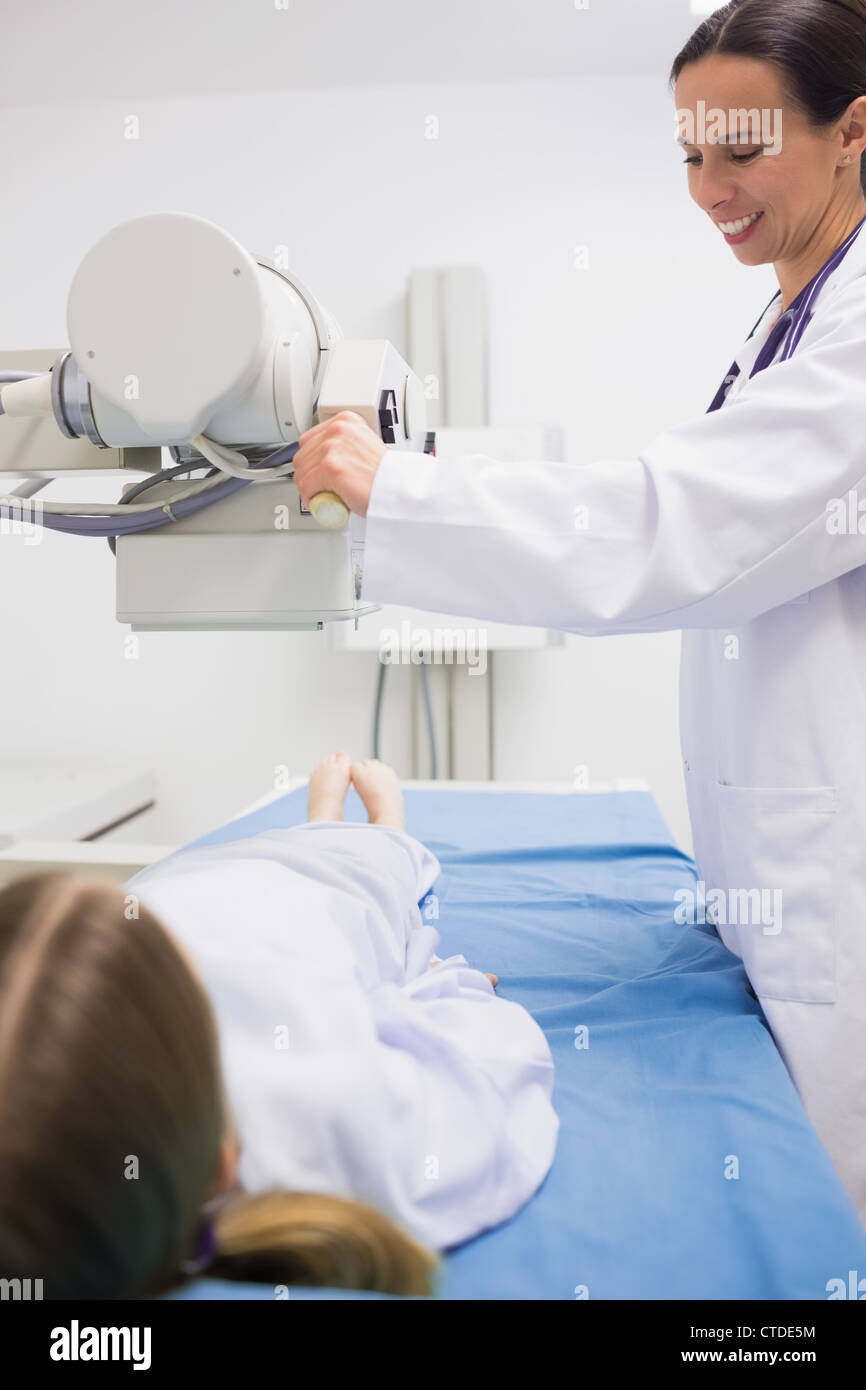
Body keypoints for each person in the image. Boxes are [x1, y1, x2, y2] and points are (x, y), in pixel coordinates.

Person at [291, 0, 866, 1224]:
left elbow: (674, 528)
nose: (708, 188)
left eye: (741, 149)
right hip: (788, 847)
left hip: (836, 879)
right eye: (687, 155)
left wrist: (403, 493)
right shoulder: (791, 311)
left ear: (852, 130)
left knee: (815, 1216)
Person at [0, 754, 557, 1298]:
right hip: (282, 908)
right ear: (226, 1164)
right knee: (361, 878)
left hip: (179, 889)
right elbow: (489, 1064)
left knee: (189, 886)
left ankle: (323, 830)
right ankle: (373, 833)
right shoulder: (337, 1116)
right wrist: (440, 987)